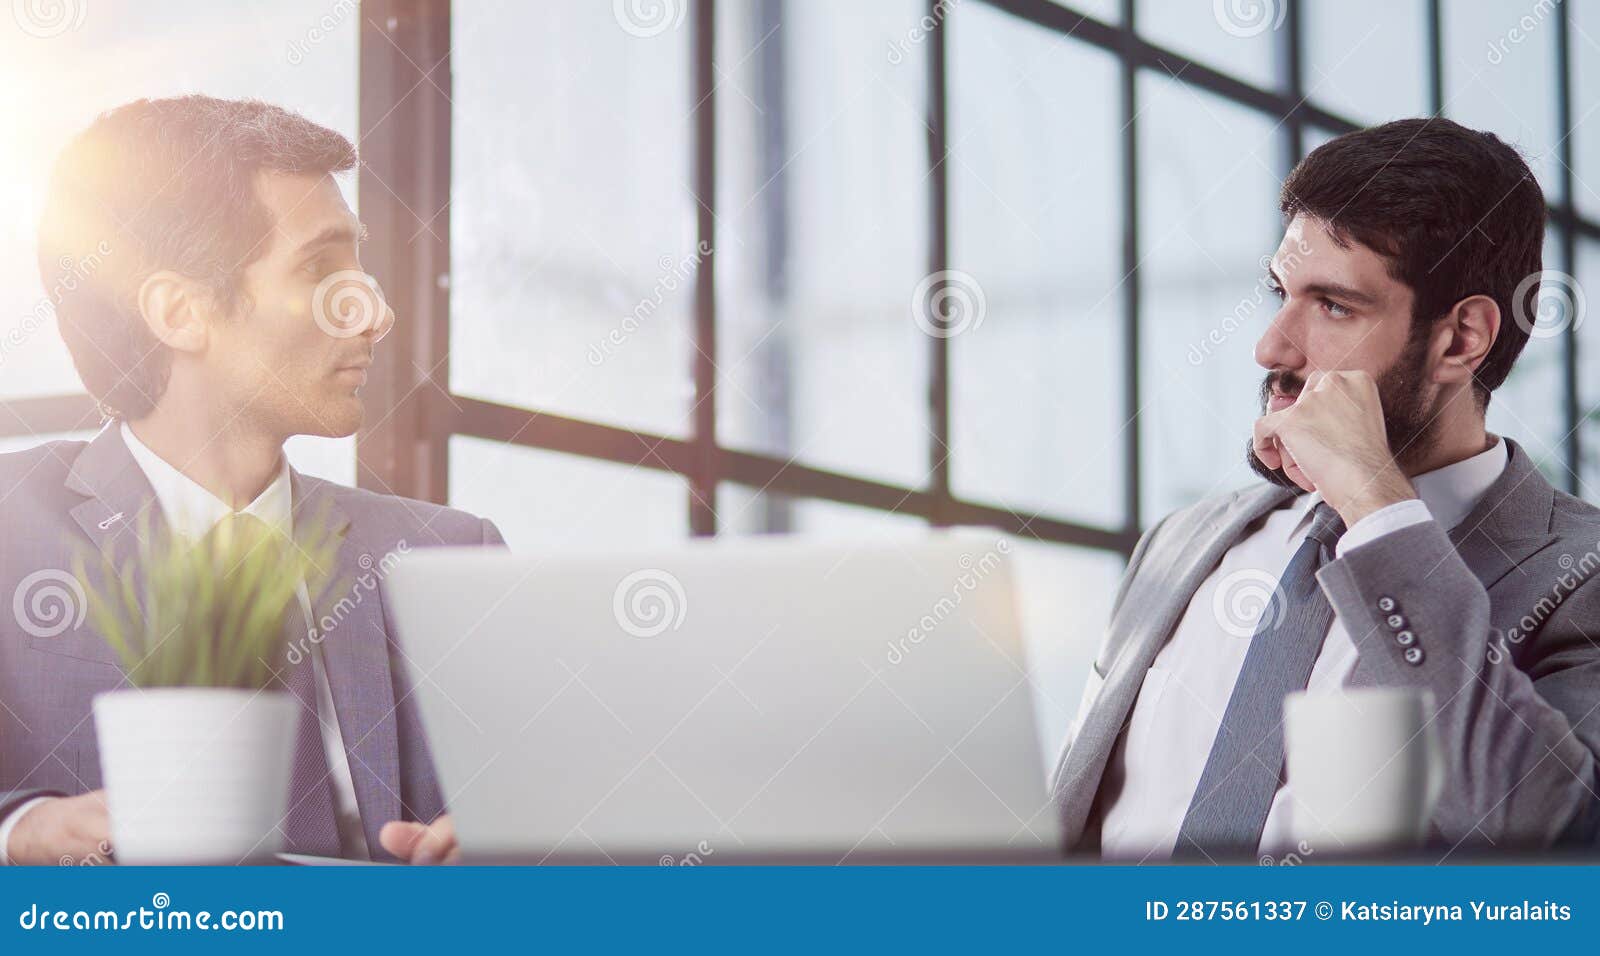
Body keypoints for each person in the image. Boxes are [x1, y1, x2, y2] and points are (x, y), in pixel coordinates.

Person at [1053, 118, 1600, 860]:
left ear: (1462, 339)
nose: (1272, 347)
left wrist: (1373, 503)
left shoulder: (1579, 573)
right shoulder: (1184, 542)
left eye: (1335, 306)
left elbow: (1554, 834)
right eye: (1280, 292)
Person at [0, 96, 492, 865]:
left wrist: (511, 857)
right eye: (320, 266)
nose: (377, 312)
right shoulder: (9, 527)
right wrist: (17, 832)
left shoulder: (449, 555)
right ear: (180, 312)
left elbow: (535, 842)